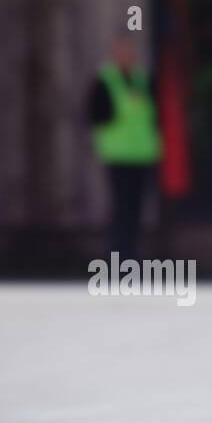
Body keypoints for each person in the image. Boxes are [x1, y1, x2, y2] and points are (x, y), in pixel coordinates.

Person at [87, 37, 162, 259]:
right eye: (123, 52)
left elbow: (157, 115)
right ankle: (116, 255)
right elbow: (95, 115)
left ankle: (131, 254)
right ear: (115, 54)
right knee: (120, 206)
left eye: (131, 53)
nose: (128, 57)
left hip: (142, 153)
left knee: (136, 207)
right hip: (117, 154)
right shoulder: (105, 82)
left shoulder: (144, 80)